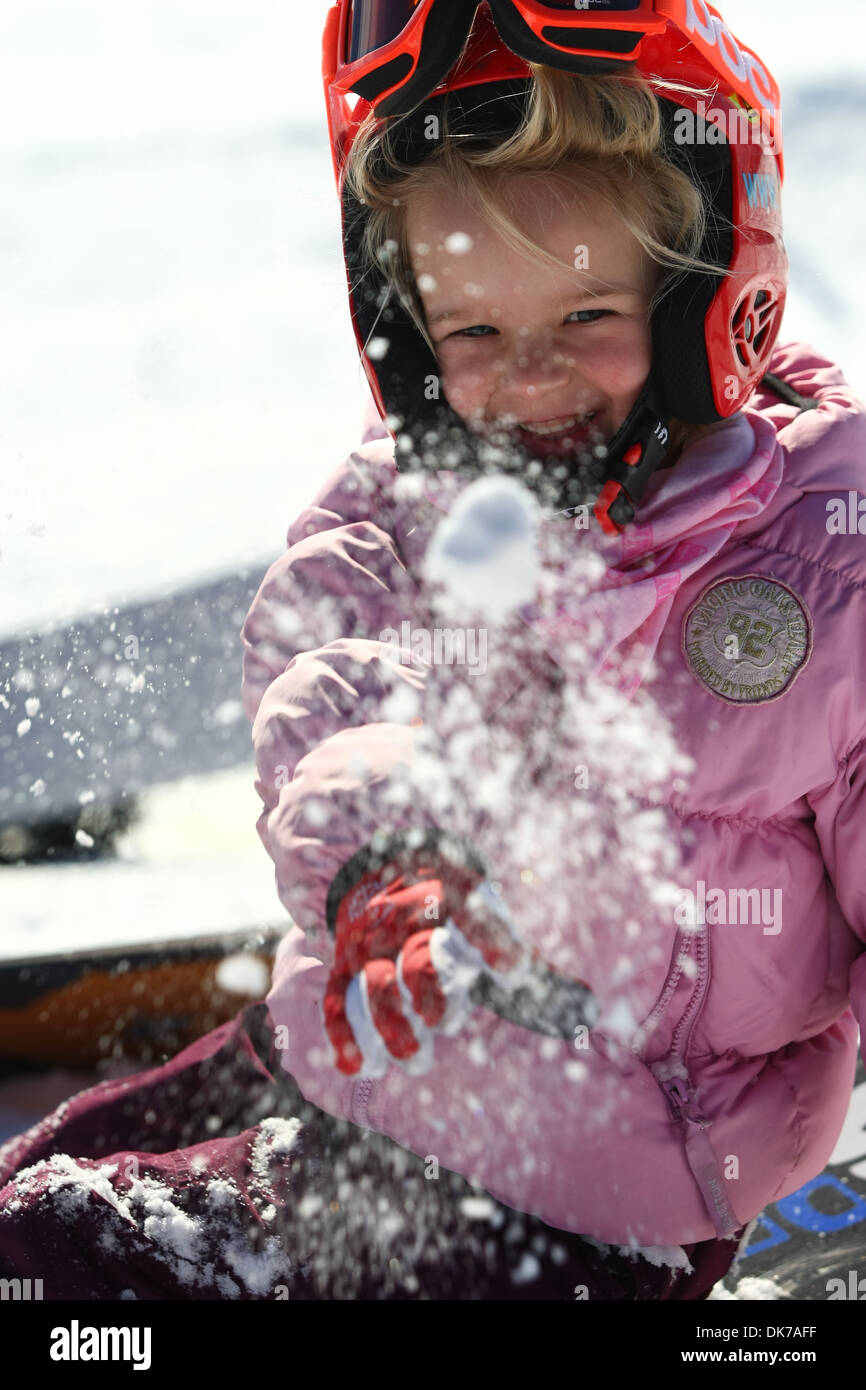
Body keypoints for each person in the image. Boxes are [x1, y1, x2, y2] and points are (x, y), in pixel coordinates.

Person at [0, 1, 863, 1302]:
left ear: (704, 293)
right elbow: (343, 674)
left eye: (583, 317)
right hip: (379, 1024)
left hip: (595, 1179)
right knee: (36, 1178)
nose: (528, 382)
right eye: (471, 334)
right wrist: (396, 847)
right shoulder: (419, 495)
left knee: (49, 1258)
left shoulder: (820, 552)